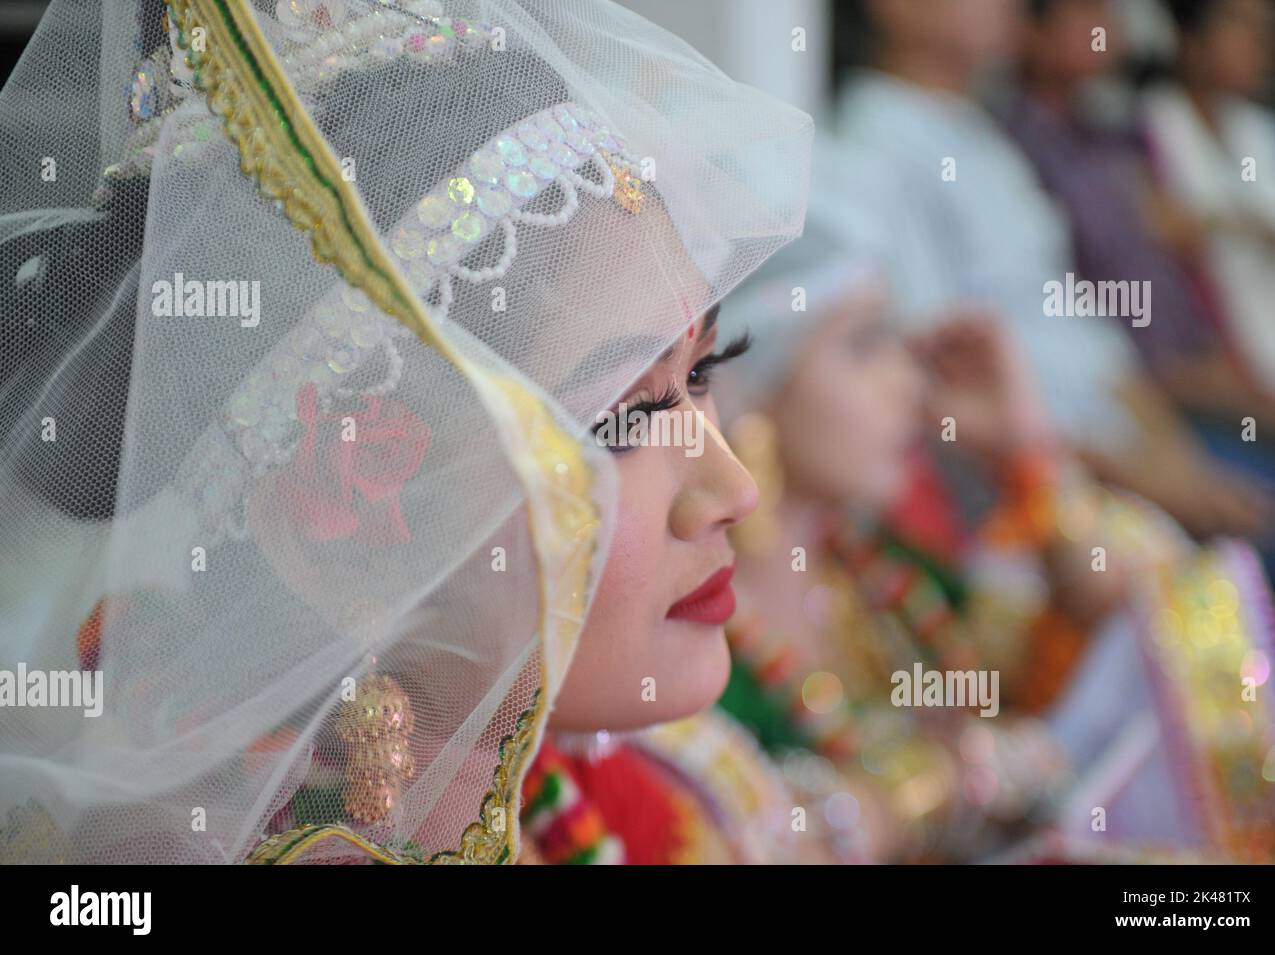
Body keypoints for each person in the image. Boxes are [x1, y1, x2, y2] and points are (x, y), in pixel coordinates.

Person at [0, 0, 817, 864]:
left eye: (700, 373)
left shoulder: (609, 784)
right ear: (342, 525)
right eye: (617, 420)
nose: (735, 489)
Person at [715, 187, 1275, 862]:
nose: (910, 382)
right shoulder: (692, 636)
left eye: (903, 345)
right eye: (865, 344)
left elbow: (1142, 620)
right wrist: (939, 784)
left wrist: (1027, 457)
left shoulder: (886, 578)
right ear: (749, 379)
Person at [831, 0, 1275, 547]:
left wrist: (1179, 465)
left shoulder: (975, 129)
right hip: (1037, 511)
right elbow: (943, 384)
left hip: (1126, 463)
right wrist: (1159, 489)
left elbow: (1091, 339)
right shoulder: (874, 144)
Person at [1007, 0, 1275, 642]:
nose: (1108, 24)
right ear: (1030, 29)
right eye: (1087, 10)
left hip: (1165, 390)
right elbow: (1107, 341)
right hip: (1158, 397)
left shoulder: (1111, 139)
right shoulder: (1025, 153)